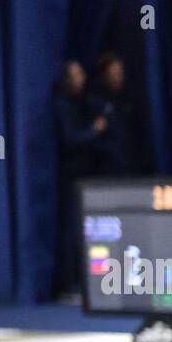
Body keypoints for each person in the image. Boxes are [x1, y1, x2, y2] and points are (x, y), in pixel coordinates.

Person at [53, 60, 106, 302]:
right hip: (71, 178)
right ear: (66, 79)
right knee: (70, 231)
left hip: (87, 176)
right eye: (77, 74)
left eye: (83, 73)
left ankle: (85, 282)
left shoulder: (83, 103)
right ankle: (68, 285)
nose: (82, 78)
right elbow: (72, 139)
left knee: (84, 231)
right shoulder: (62, 106)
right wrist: (94, 131)